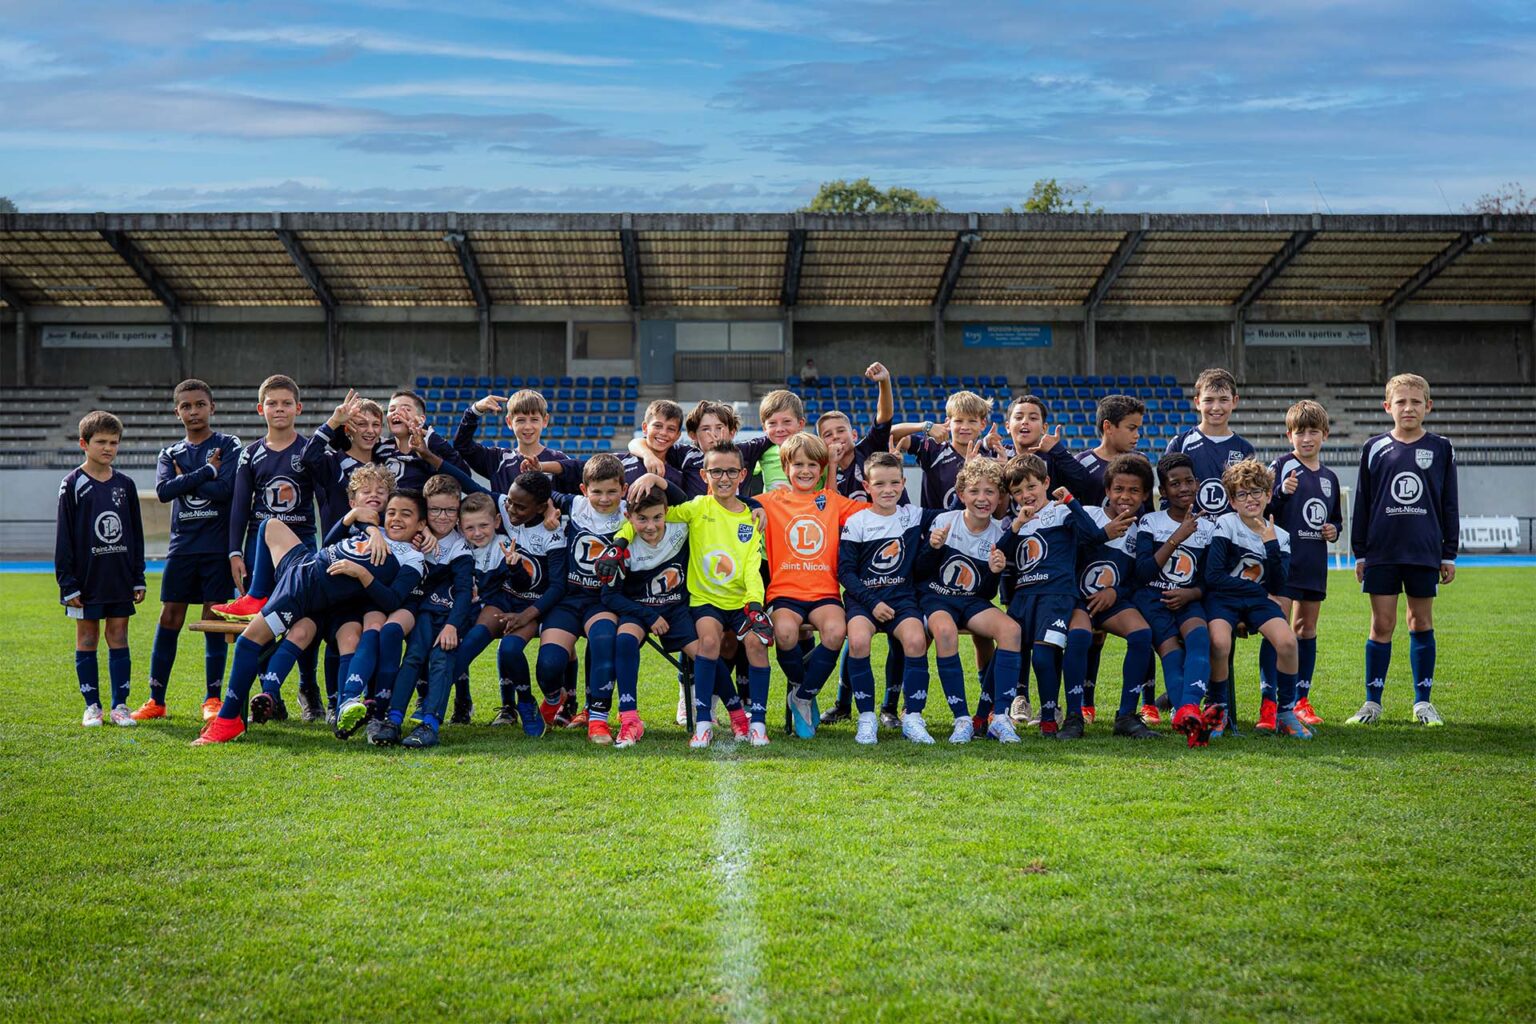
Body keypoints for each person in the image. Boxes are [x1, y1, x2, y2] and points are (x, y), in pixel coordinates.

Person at [192, 489, 428, 745]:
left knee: (249, 641)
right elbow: (330, 542)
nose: (396, 518)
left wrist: (361, 573)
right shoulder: (372, 529)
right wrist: (357, 521)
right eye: (391, 512)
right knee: (270, 525)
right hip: (304, 568)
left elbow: (393, 599)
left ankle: (228, 721)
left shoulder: (412, 557)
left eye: (406, 514)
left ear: (421, 524)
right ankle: (257, 597)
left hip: (305, 591)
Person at [1347, 373, 1458, 728]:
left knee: (1420, 621)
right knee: (1381, 624)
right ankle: (1372, 703)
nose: (1407, 408)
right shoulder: (1374, 448)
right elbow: (1362, 503)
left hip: (1424, 551)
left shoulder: (1441, 448)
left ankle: (1423, 703)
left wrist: (1448, 553)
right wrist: (1360, 552)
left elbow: (1449, 503)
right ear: (1387, 407)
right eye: (1400, 402)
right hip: (1382, 552)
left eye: (1415, 402)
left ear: (1428, 406)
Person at [214, 374, 323, 718]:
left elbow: (325, 500)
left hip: (300, 547)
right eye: (272, 403)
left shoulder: (308, 451)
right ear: (261, 409)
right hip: (258, 552)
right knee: (261, 623)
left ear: (298, 408)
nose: (279, 409)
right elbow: (239, 507)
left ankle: (309, 689)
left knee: (304, 620)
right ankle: (269, 696)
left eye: (286, 403)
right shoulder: (250, 455)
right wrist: (235, 552)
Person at [650, 441, 772, 748]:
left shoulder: (752, 517)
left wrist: (755, 604)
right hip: (705, 599)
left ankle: (757, 722)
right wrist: (650, 479)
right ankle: (703, 722)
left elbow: (752, 567)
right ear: (705, 474)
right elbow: (654, 514)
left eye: (731, 471)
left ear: (743, 473)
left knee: (757, 644)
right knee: (708, 641)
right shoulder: (697, 508)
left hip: (743, 600)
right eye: (716, 471)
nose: (724, 478)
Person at [134, 380, 241, 722]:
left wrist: (190, 479)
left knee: (213, 619)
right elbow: (165, 491)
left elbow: (227, 491)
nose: (193, 411)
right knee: (170, 617)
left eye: (199, 404)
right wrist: (208, 470)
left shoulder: (229, 444)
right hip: (182, 547)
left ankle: (212, 698)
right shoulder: (170, 453)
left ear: (212, 407)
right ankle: (156, 699)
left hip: (216, 547)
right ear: (176, 411)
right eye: (186, 406)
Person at [750, 433, 868, 739]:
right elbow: (731, 505)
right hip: (784, 592)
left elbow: (874, 513)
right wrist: (752, 507)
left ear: (822, 468)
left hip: (824, 593)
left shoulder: (831, 501)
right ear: (786, 467)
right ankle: (804, 691)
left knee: (835, 631)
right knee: (785, 633)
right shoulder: (771, 501)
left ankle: (802, 696)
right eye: (798, 464)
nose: (805, 471)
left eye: (812, 465)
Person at [912, 457, 1024, 744]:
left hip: (971, 602)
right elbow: (921, 572)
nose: (982, 498)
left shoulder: (999, 533)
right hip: (937, 597)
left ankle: (999, 718)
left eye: (989, 492)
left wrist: (994, 572)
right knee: (945, 631)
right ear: (961, 495)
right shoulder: (945, 522)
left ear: (1000, 497)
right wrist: (933, 548)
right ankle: (962, 718)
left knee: (1011, 630)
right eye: (974, 491)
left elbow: (984, 593)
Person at [1203, 459, 1311, 740]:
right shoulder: (1226, 524)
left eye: (1256, 492)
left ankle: (1285, 712)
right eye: (1242, 494)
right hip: (1225, 598)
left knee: (1287, 642)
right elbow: (1213, 576)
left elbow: (1278, 583)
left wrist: (1271, 544)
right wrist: (1260, 593)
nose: (1250, 499)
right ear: (1232, 500)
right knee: (1219, 642)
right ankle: (1217, 708)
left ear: (1268, 494)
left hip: (1257, 600)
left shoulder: (1281, 535)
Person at [836, 452, 939, 744]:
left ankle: (913, 717)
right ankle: (867, 717)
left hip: (902, 598)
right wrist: (872, 603)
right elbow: (845, 572)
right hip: (865, 600)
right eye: (879, 484)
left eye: (895, 482)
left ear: (904, 483)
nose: (888, 489)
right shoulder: (857, 522)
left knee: (917, 640)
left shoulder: (912, 515)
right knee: (857, 641)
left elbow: (957, 513)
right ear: (867, 486)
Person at [996, 454, 1101, 740]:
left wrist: (1070, 501)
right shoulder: (1017, 523)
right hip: (1023, 598)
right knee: (1011, 655)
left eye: (1031, 487)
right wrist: (1016, 526)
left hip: (1056, 596)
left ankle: (1050, 717)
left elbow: (1092, 536)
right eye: (1017, 491)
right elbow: (998, 554)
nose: (1025, 495)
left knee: (1043, 656)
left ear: (1046, 482)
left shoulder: (1061, 512)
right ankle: (991, 716)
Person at [56, 411, 146, 728]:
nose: (108, 448)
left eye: (114, 442)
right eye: (101, 442)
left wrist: (139, 576)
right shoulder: (72, 485)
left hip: (120, 577)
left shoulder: (125, 484)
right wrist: (68, 584)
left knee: (119, 635)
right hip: (87, 580)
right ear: (84, 444)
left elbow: (135, 534)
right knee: (88, 637)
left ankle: (120, 706)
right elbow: (64, 539)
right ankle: (92, 706)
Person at [599, 486, 704, 748]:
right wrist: (647, 615)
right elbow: (609, 596)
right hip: (638, 611)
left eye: (657, 518)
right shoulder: (622, 545)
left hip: (674, 610)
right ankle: (630, 719)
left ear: (666, 513)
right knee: (624, 639)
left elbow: (694, 499)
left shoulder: (681, 530)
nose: (650, 526)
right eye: (642, 519)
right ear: (629, 517)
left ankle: (716, 716)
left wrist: (656, 478)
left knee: (705, 654)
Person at [1261, 400, 1341, 729]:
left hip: (1313, 562)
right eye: (1299, 432)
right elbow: (1260, 510)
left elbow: (1334, 521)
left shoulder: (1330, 478)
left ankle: (1300, 700)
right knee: (1276, 630)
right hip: (1282, 563)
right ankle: (1269, 704)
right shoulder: (1280, 466)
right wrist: (1279, 493)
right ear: (1288, 435)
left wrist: (1333, 530)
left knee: (1306, 629)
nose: (1306, 438)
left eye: (1313, 432)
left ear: (1324, 434)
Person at [1135, 453, 1220, 747]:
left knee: (1199, 639)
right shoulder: (1150, 522)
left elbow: (1210, 579)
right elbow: (1143, 572)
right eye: (1175, 483)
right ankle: (1186, 713)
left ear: (1197, 483)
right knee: (1171, 650)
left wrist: (1191, 593)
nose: (1183, 488)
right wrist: (1177, 537)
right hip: (1153, 598)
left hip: (1188, 598)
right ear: (1163, 491)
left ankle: (1187, 710)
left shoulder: (1209, 527)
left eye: (1188, 481)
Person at [455, 388, 566, 494]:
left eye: (534, 420)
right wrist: (474, 411)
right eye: (521, 420)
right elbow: (462, 445)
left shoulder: (559, 460)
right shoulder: (496, 460)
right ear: (509, 422)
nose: (527, 426)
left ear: (545, 421)